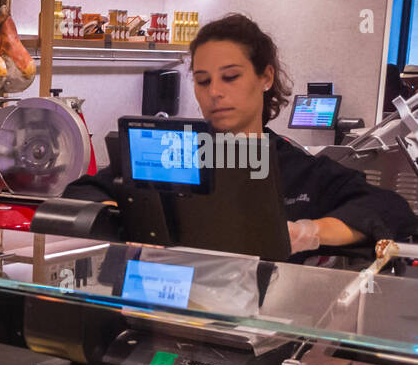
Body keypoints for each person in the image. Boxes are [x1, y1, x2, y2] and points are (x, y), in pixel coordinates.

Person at [65, 13, 416, 263]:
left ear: (266, 78)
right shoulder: (175, 153)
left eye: (230, 77)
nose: (215, 92)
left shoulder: (301, 171)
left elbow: (390, 210)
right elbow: (82, 191)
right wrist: (127, 221)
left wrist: (310, 231)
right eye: (203, 81)